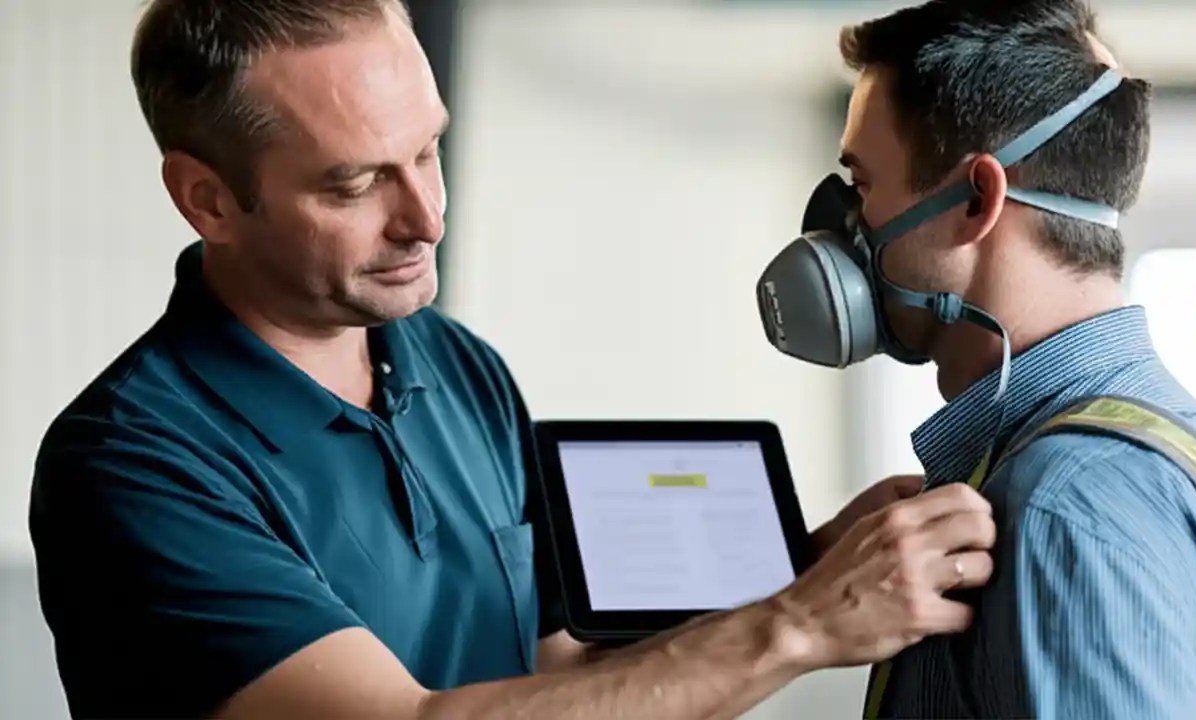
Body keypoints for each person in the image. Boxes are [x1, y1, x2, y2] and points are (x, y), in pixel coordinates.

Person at [26, 1, 999, 718]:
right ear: (206, 199)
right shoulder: (134, 465)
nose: (424, 217)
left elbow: (560, 684)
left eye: (428, 152)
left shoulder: (455, 367)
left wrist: (810, 570)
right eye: (356, 183)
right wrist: (799, 627)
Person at [810, 0, 1196, 717]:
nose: (848, 222)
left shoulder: (1066, 505)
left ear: (977, 201)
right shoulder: (1176, 446)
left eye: (865, 184)